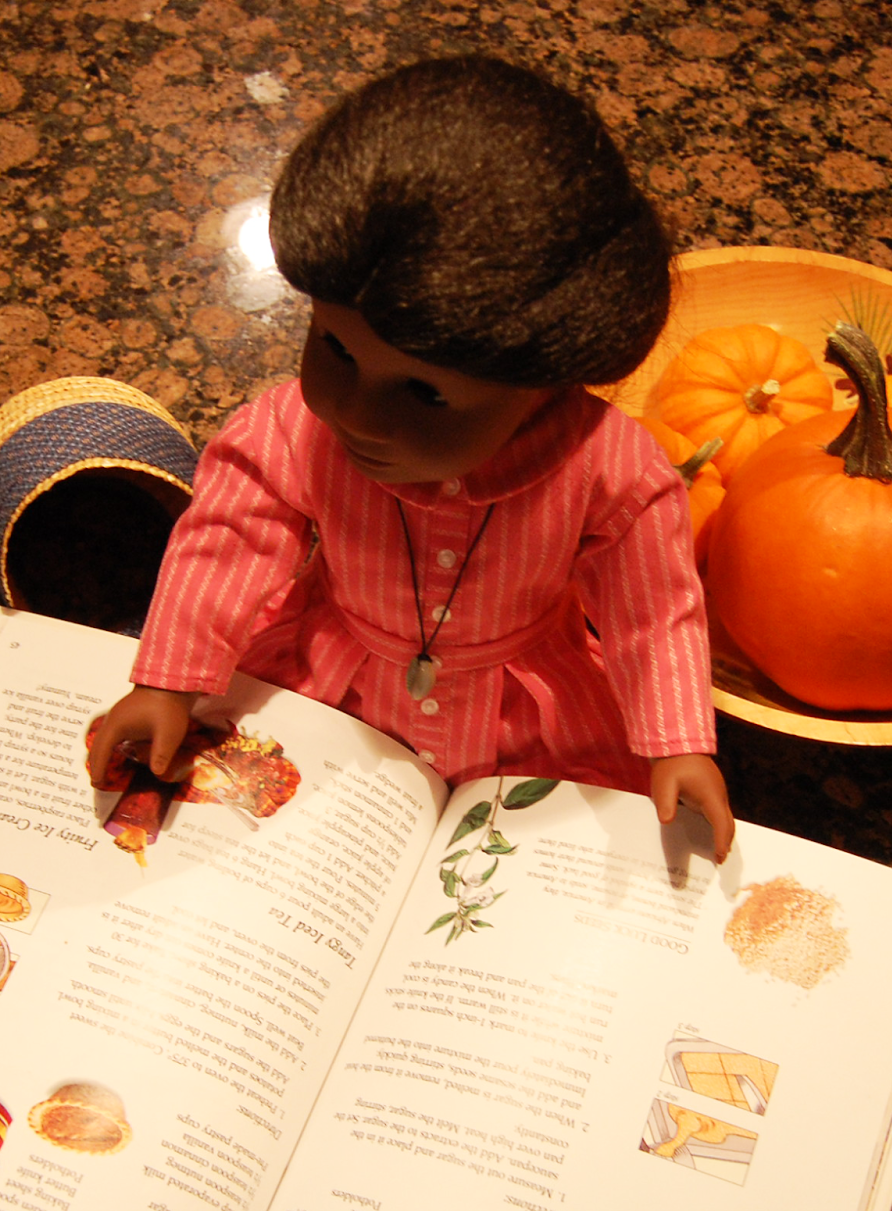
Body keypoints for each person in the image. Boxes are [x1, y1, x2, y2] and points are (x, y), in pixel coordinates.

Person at [85, 55, 735, 862]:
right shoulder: (296, 430)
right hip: (333, 681)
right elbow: (231, 534)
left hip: (530, 715)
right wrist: (170, 678)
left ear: (545, 383)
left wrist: (676, 741)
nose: (359, 416)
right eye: (332, 347)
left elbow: (651, 611)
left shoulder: (609, 470)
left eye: (426, 396)